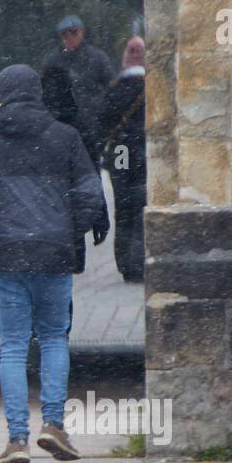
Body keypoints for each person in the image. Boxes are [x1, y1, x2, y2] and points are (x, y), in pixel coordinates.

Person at [0, 65, 105, 463]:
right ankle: (53, 424)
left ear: (2, 93)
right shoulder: (66, 138)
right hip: (54, 255)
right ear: (37, 93)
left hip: (7, 255)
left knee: (14, 346)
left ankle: (16, 438)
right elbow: (91, 195)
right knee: (54, 337)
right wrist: (69, 233)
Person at [40, 64, 109, 274]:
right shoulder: (78, 127)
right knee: (65, 281)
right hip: (70, 218)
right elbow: (91, 175)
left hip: (37, 217)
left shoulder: (35, 127)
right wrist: (99, 215)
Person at [98, 36, 147, 282]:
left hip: (120, 154)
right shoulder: (153, 89)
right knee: (141, 207)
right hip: (144, 153)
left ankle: (124, 261)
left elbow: (103, 119)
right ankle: (139, 260)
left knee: (123, 207)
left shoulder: (117, 88)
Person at [42, 15, 115, 150]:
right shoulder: (52, 61)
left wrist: (103, 115)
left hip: (93, 127)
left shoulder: (98, 58)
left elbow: (111, 90)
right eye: (65, 34)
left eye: (74, 32)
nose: (70, 37)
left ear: (82, 32)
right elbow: (46, 94)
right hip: (63, 126)